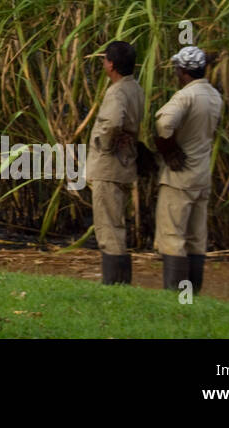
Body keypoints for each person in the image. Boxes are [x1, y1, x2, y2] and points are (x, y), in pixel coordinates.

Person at [154, 45, 223, 294]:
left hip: (180, 177)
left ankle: (175, 294)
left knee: (173, 237)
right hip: (202, 175)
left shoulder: (186, 96)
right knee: (196, 238)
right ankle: (193, 293)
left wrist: (169, 150)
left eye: (177, 69)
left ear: (183, 71)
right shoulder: (214, 96)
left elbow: (164, 124)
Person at [87, 40, 144, 284]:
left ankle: (113, 283)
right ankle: (122, 282)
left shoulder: (118, 91)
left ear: (111, 64)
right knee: (116, 223)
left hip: (109, 167)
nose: (103, 63)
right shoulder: (135, 88)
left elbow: (111, 123)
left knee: (107, 225)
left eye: (104, 59)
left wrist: (103, 146)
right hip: (125, 164)